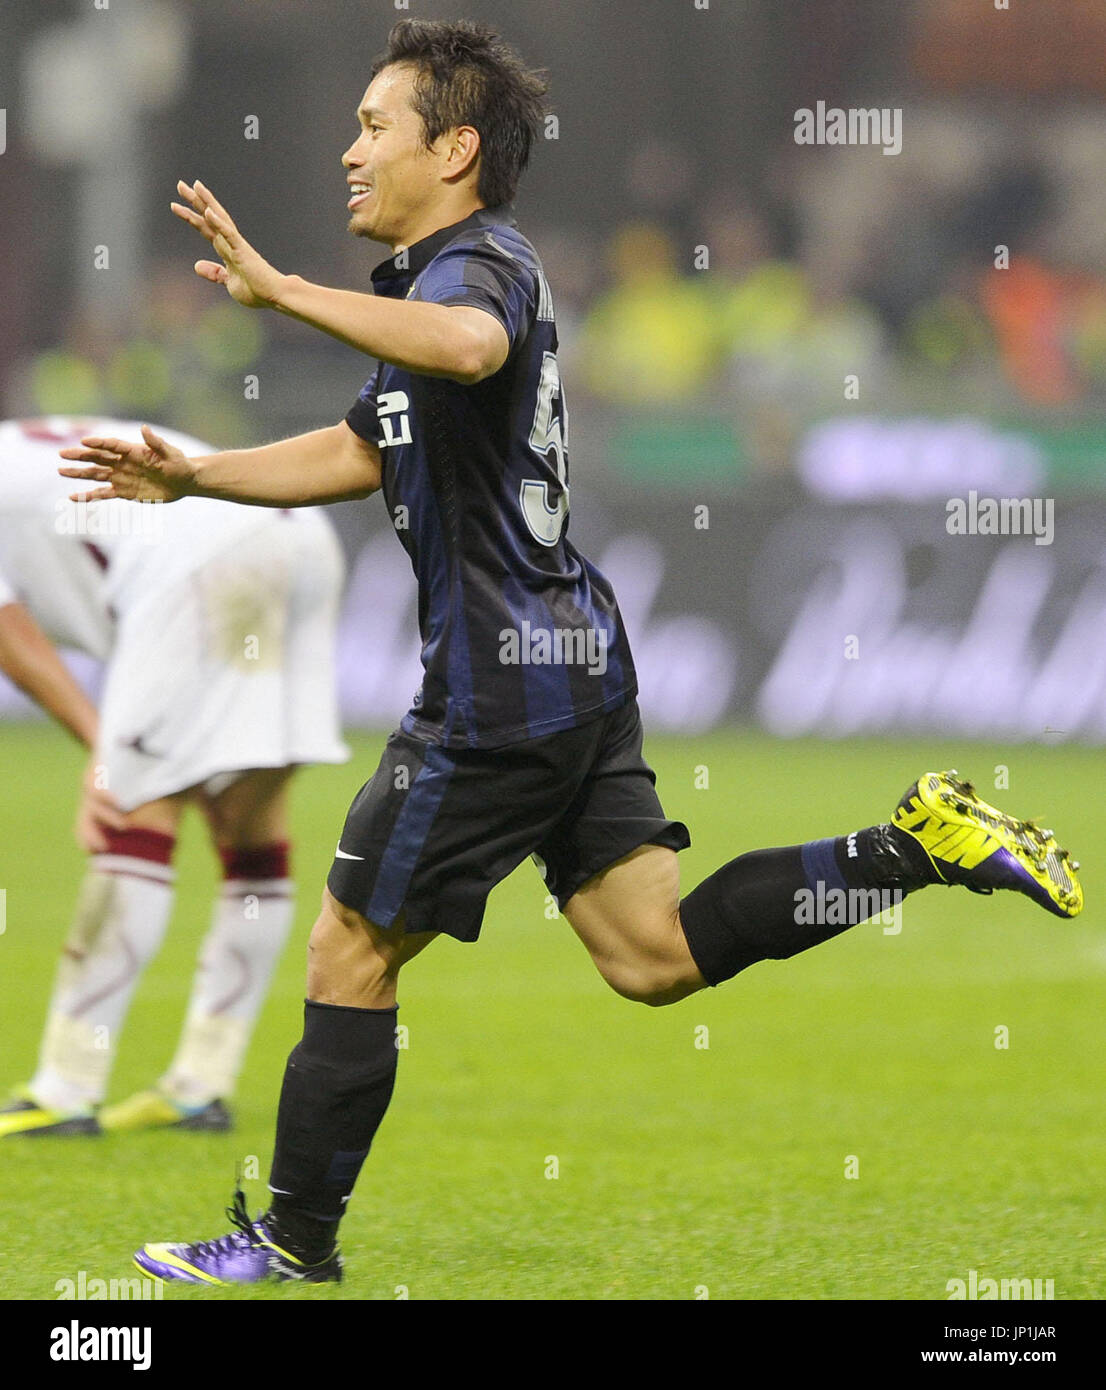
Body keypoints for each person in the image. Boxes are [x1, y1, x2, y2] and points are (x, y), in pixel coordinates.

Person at [58, 20, 1082, 1286]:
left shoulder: (473, 271)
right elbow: (364, 448)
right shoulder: (432, 286)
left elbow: (474, 348)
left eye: (374, 128)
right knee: (648, 954)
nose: (348, 151)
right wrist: (198, 474)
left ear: (456, 147)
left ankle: (289, 1243)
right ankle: (913, 843)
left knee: (348, 946)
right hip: (572, 657)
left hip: (497, 687)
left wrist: (282, 293)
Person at [0, 415, 348, 1136]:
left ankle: (65, 1090)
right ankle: (201, 1083)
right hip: (299, 535)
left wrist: (101, 750)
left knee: (134, 811)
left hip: (201, 558)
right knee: (250, 826)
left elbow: (9, 633)